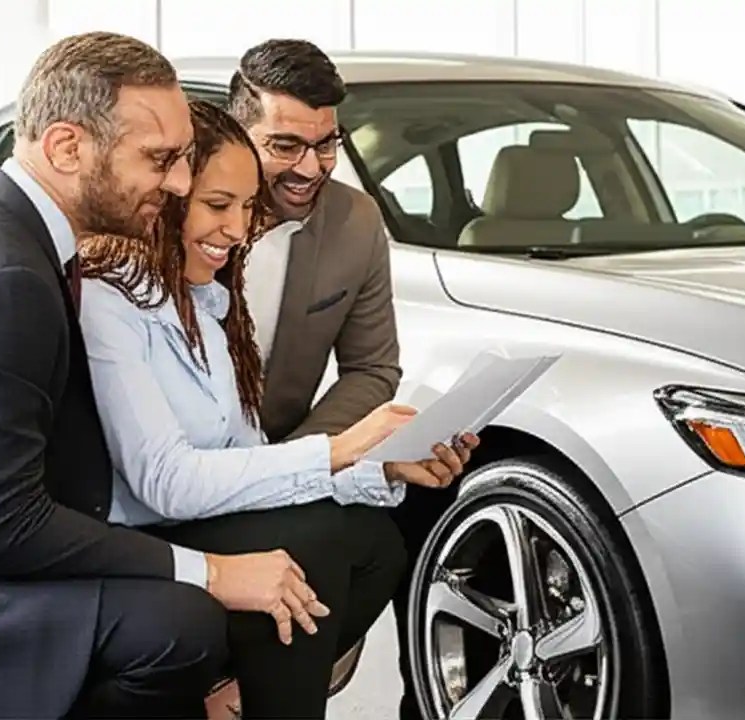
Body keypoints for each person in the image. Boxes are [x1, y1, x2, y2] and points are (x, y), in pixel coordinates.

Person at [0, 32, 322, 719]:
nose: (177, 182)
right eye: (160, 159)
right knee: (182, 623)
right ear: (66, 148)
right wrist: (211, 571)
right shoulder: (4, 280)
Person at [77, 98, 478, 719]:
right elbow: (164, 483)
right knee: (314, 539)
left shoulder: (207, 307)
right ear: (170, 195)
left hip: (199, 513)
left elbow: (248, 459)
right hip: (140, 536)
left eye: (245, 210)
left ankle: (236, 698)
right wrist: (340, 449)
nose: (238, 232)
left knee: (378, 542)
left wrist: (384, 465)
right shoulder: (108, 301)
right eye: (218, 206)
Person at [227, 39, 480, 718]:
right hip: (185, 464)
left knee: (421, 501)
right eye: (284, 146)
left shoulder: (356, 223)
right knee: (328, 531)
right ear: (233, 132)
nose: (311, 167)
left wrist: (305, 461)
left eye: (327, 143)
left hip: (286, 447)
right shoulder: (180, 220)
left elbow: (372, 368)